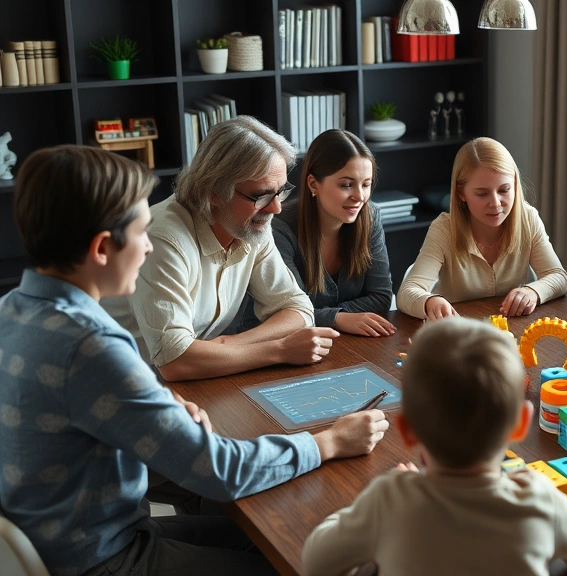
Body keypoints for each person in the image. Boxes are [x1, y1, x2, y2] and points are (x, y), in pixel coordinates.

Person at [0, 145, 389, 576]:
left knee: (276, 539)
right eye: (142, 233)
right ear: (102, 248)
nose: (148, 249)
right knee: (304, 559)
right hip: (106, 559)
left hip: (73, 536)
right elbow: (220, 471)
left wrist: (152, 407)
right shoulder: (91, 347)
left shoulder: (12, 308)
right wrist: (330, 441)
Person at [302, 317, 567, 575]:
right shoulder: (537, 498)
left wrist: (375, 503)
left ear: (407, 430)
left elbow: (317, 563)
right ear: (521, 423)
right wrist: (561, 519)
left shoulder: (389, 500)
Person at [104, 116, 340, 381]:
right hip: (124, 382)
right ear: (214, 192)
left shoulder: (251, 226)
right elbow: (174, 362)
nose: (276, 208)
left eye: (280, 191)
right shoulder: (163, 239)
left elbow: (297, 308)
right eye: (261, 195)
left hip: (199, 376)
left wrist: (226, 346)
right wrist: (280, 349)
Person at [241, 130, 395, 337]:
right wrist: (337, 318)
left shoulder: (370, 217)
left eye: (366, 184)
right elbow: (284, 312)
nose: (360, 196)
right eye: (347, 185)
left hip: (343, 340)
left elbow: (381, 297)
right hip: (272, 342)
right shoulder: (279, 228)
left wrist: (327, 316)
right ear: (314, 184)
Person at [397, 138, 567, 320]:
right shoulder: (444, 229)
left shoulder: (528, 218)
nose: (495, 203)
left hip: (510, 331)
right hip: (460, 333)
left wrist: (533, 291)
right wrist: (430, 301)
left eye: (504, 190)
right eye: (482, 193)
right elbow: (407, 293)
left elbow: (557, 276)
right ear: (461, 193)